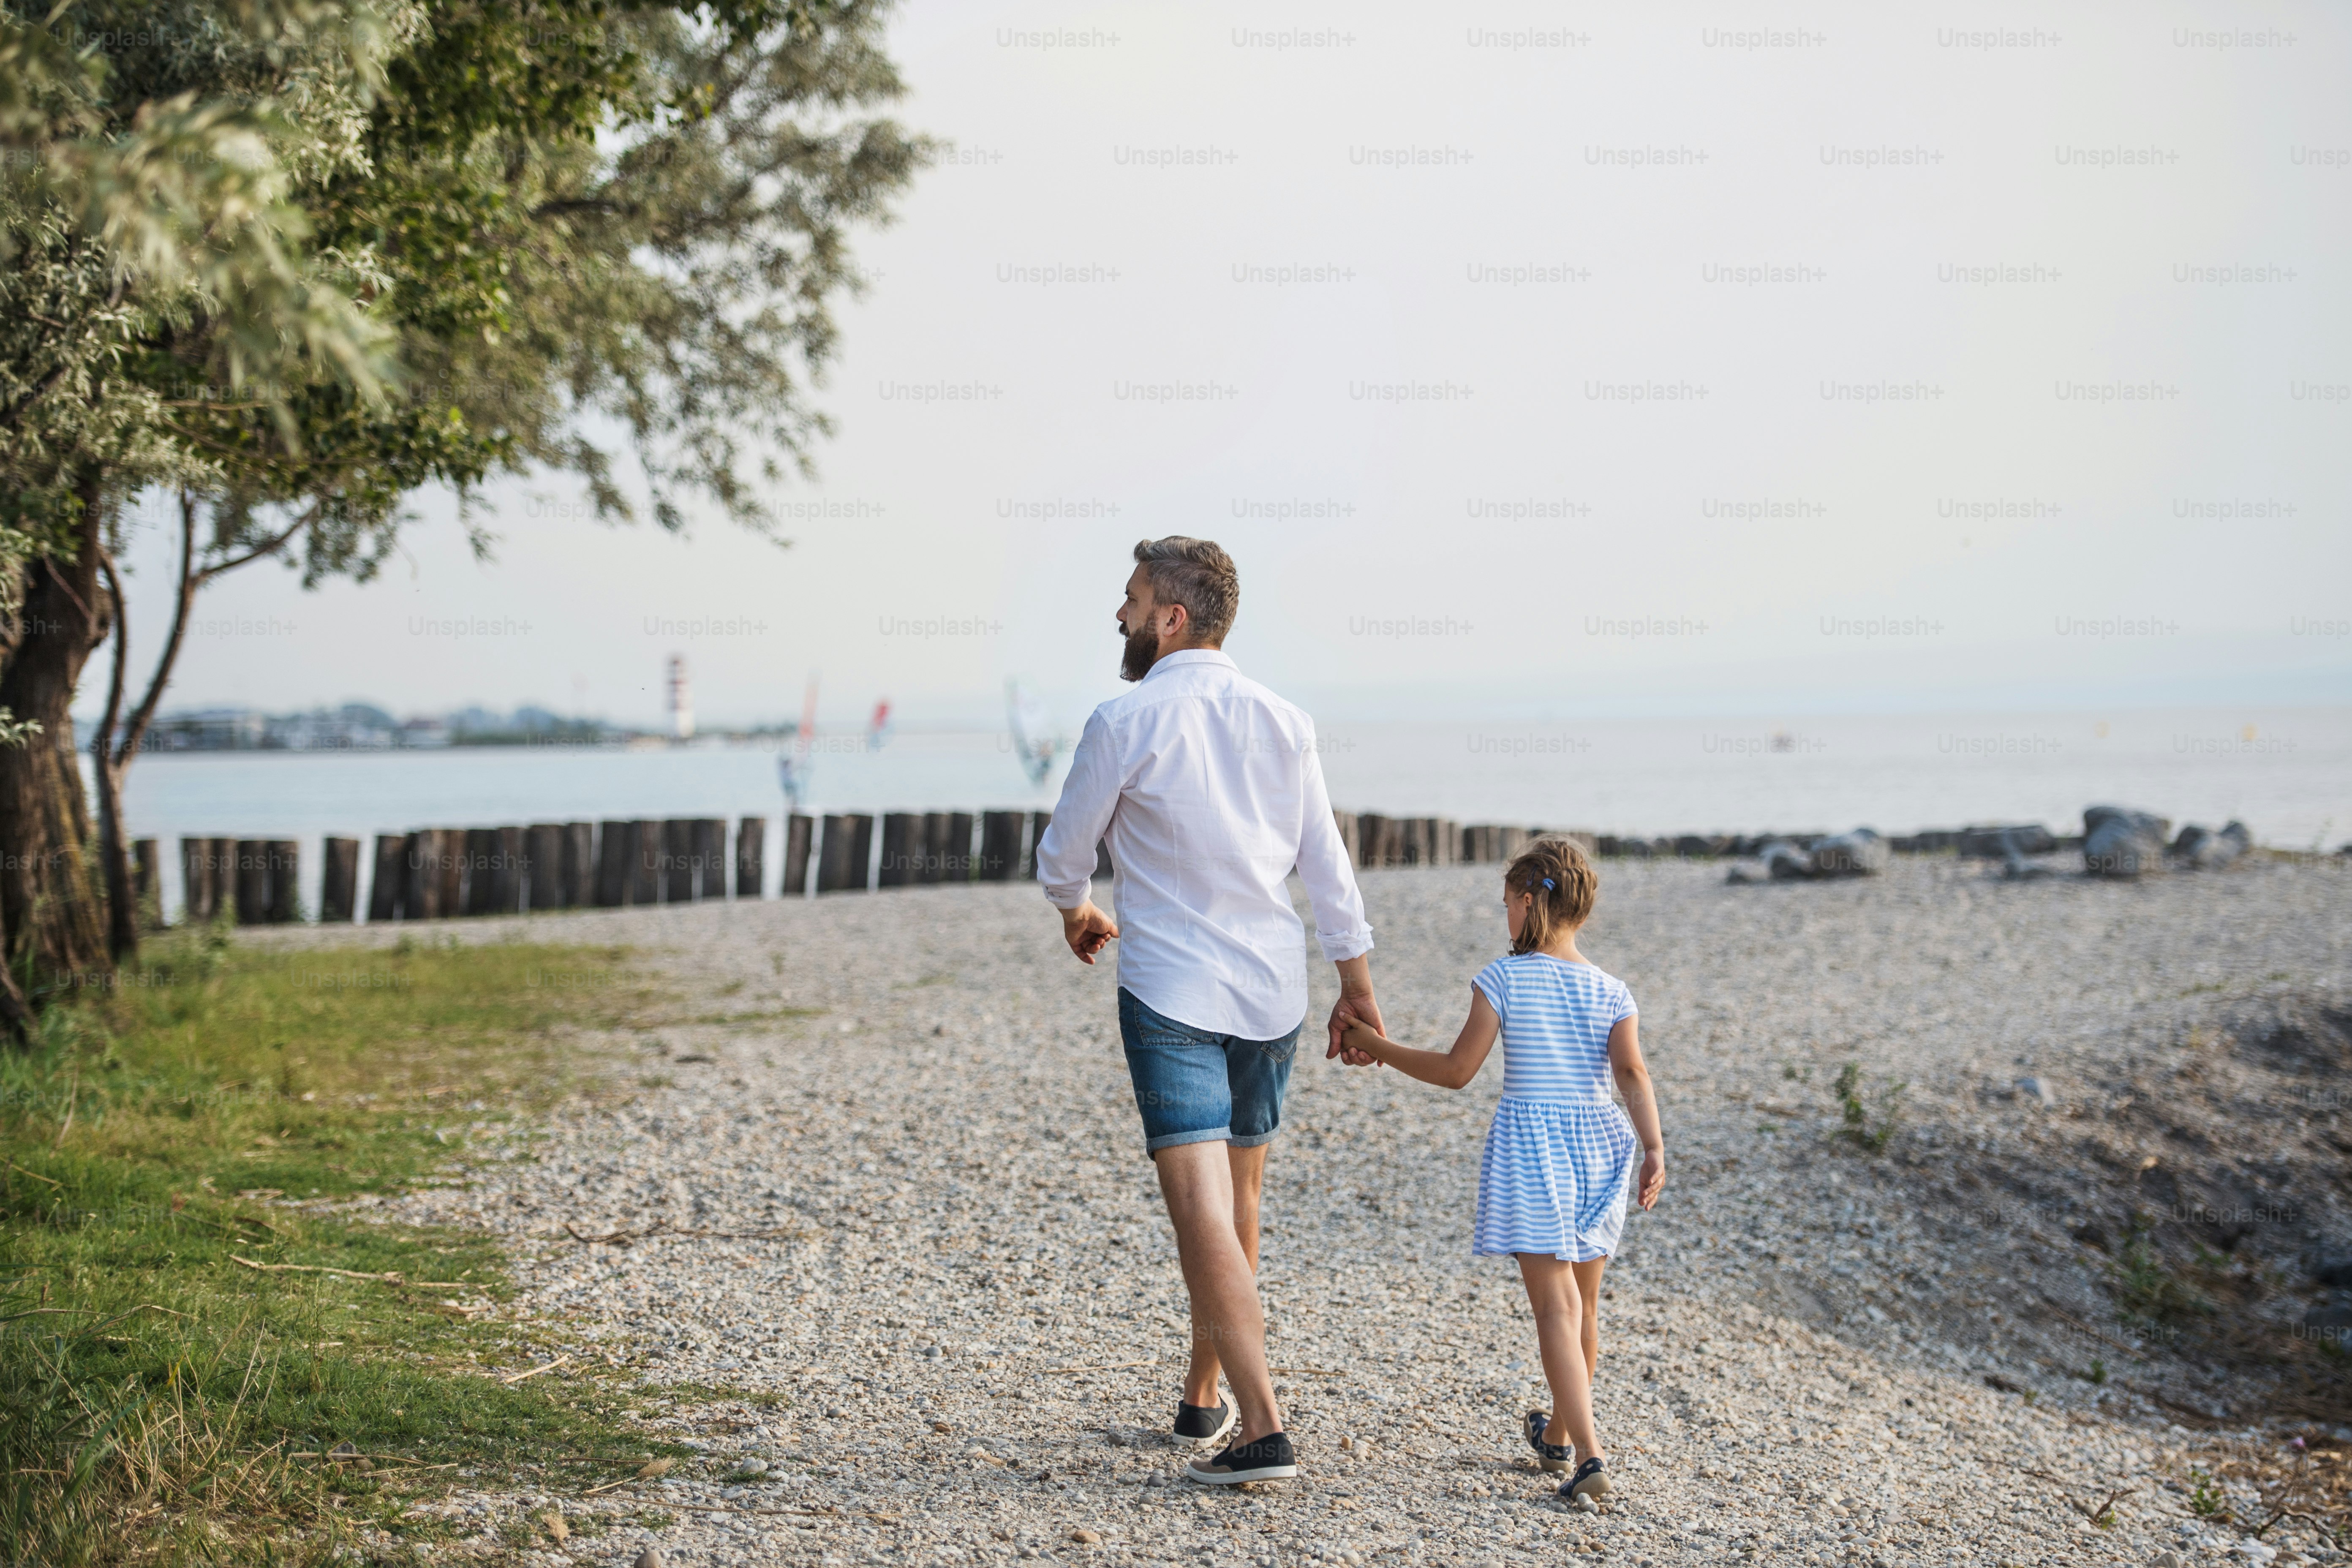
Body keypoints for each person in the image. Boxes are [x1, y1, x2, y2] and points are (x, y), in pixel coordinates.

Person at [1035, 536, 1384, 1486]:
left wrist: (1076, 908)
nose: (1120, 614)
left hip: (1172, 993)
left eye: (1133, 598)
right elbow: (1328, 868)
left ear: (1172, 618)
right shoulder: (1286, 719)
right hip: (1271, 991)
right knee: (1239, 1205)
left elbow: (1063, 854)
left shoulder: (1124, 719)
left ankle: (1264, 1424)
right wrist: (1357, 986)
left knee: (1200, 1212)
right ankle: (1203, 1395)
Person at [1339, 836, 1664, 1504]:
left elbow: (1458, 1072)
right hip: (1602, 1140)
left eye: (1507, 905)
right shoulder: (1612, 989)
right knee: (1584, 1304)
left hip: (1535, 1143)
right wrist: (1654, 1146)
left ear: (1527, 902)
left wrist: (1376, 1045)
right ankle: (1558, 1438)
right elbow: (1632, 1073)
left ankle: (1590, 1457)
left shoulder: (1504, 979)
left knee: (1554, 1305)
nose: (1506, 917)